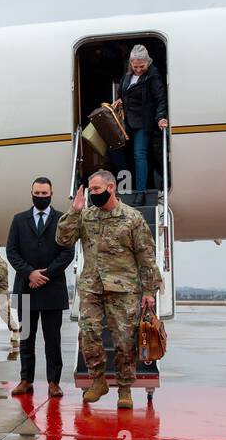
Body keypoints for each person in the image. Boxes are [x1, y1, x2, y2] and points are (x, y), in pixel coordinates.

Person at [55, 170, 160, 409]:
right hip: (92, 287)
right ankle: (98, 380)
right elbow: (62, 240)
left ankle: (124, 388)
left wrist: (149, 291)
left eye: (96, 190)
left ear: (111, 188)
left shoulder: (131, 218)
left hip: (124, 289)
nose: (93, 194)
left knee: (124, 341)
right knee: (88, 334)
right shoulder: (86, 216)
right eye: (91, 190)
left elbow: (146, 255)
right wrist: (74, 211)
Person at [6, 176, 74, 396]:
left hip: (52, 288)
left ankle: (54, 381)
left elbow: (68, 252)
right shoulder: (19, 220)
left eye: (45, 194)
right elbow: (11, 252)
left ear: (51, 194)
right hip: (25, 287)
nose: (41, 197)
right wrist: (29, 274)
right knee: (26, 338)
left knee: (52, 340)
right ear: (31, 193)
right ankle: (26, 379)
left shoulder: (62, 219)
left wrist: (45, 274)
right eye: (37, 193)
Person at [119, 45, 168, 194]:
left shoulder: (153, 76)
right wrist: (120, 101)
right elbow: (123, 93)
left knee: (139, 154)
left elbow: (161, 99)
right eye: (135, 67)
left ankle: (141, 191)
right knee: (113, 146)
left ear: (148, 62)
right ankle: (124, 183)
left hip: (143, 122)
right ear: (131, 64)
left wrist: (160, 117)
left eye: (142, 66)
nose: (139, 70)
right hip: (127, 120)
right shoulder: (128, 76)